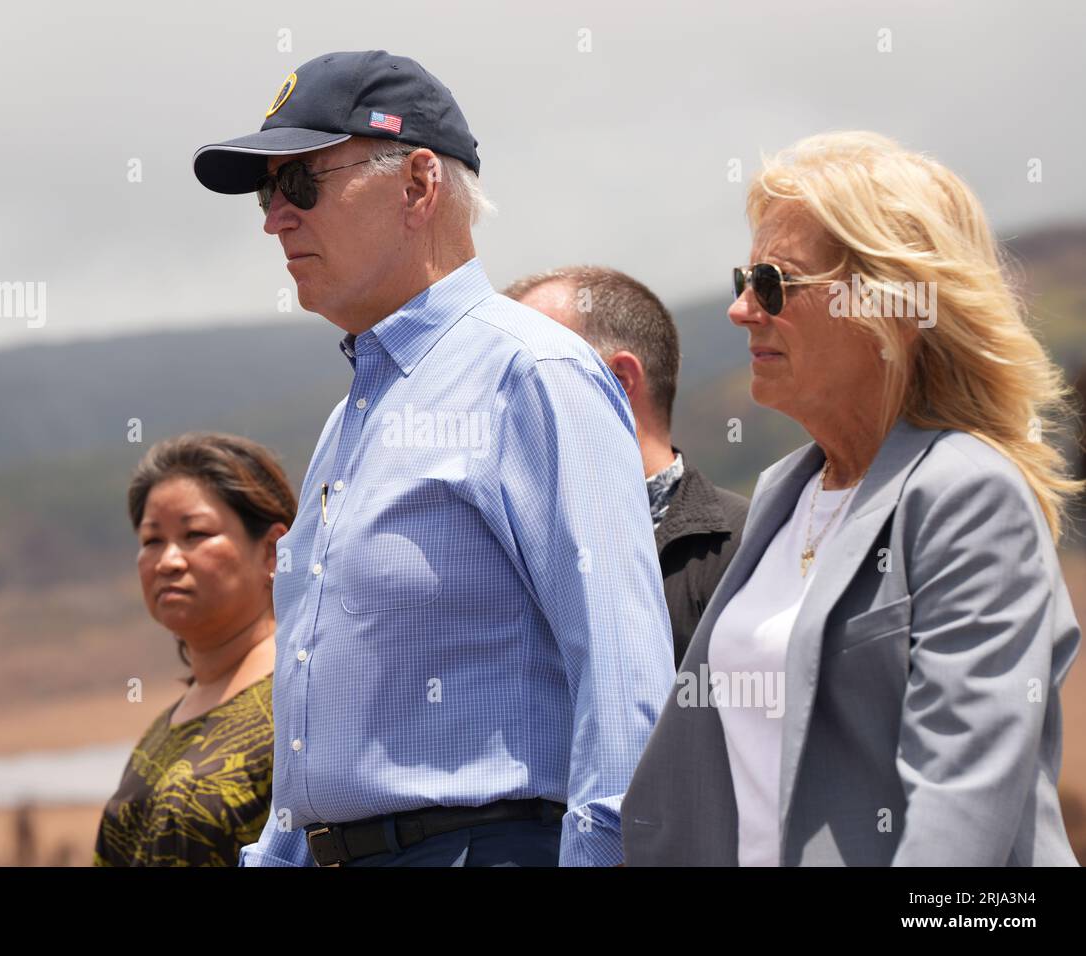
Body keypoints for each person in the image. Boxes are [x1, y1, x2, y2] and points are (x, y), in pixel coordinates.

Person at [192, 50, 674, 867]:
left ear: (419, 185)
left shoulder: (533, 374)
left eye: (302, 181)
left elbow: (624, 674)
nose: (274, 216)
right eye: (268, 191)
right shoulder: (348, 422)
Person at [622, 131, 1084, 866]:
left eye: (772, 282)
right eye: (744, 279)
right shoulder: (783, 494)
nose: (743, 309)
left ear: (888, 304)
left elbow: (960, 815)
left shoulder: (967, 492)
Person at [506, 267, 749, 665]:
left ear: (618, 381)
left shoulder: (748, 550)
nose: (500, 400)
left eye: (526, 372)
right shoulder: (507, 557)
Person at [94, 433, 295, 866]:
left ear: (273, 551)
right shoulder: (163, 730)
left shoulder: (300, 700)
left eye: (195, 534)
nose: (168, 561)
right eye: (152, 540)